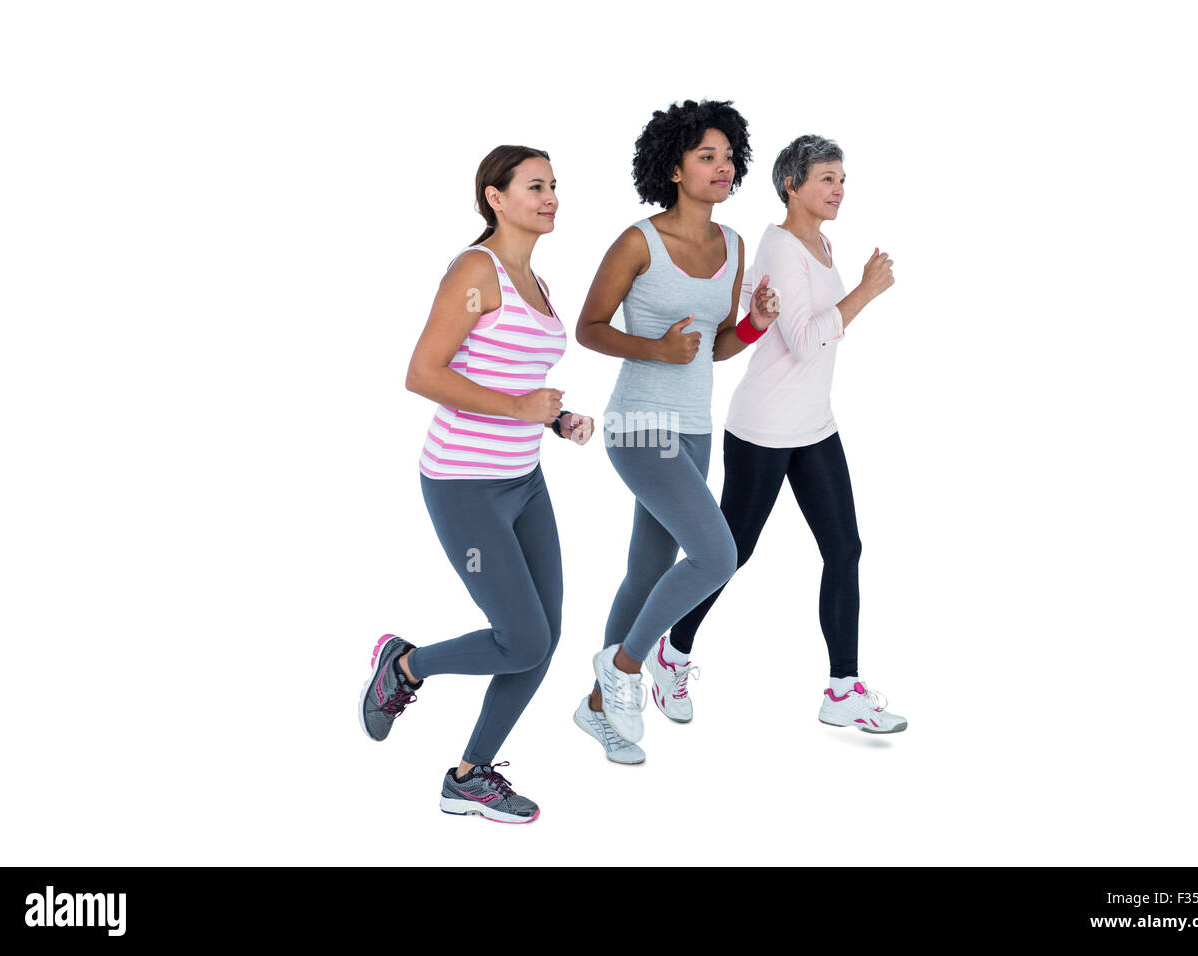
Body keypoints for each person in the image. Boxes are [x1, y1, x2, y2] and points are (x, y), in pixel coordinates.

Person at [359, 145, 595, 823]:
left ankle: (469, 774)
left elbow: (511, 381)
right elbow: (424, 373)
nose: (551, 197)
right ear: (494, 197)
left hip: (524, 480)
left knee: (542, 637)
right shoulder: (476, 271)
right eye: (534, 186)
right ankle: (404, 667)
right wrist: (521, 409)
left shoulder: (539, 284)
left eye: (554, 186)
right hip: (464, 485)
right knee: (521, 638)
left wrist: (553, 420)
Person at [667, 133, 907, 733]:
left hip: (813, 425)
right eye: (827, 178)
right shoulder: (780, 249)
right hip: (765, 427)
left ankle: (842, 689)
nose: (839, 190)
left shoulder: (820, 242)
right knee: (731, 553)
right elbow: (804, 340)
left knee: (844, 548)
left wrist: (853, 292)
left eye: (843, 179)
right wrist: (866, 293)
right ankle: (671, 651)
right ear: (791, 185)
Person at [573, 100, 779, 763]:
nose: (723, 168)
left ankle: (598, 708)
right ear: (673, 168)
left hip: (693, 428)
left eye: (728, 156)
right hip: (640, 425)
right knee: (718, 556)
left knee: (649, 569)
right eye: (706, 157)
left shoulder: (734, 245)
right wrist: (652, 349)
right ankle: (627, 668)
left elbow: (715, 348)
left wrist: (753, 325)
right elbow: (590, 327)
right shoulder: (639, 241)